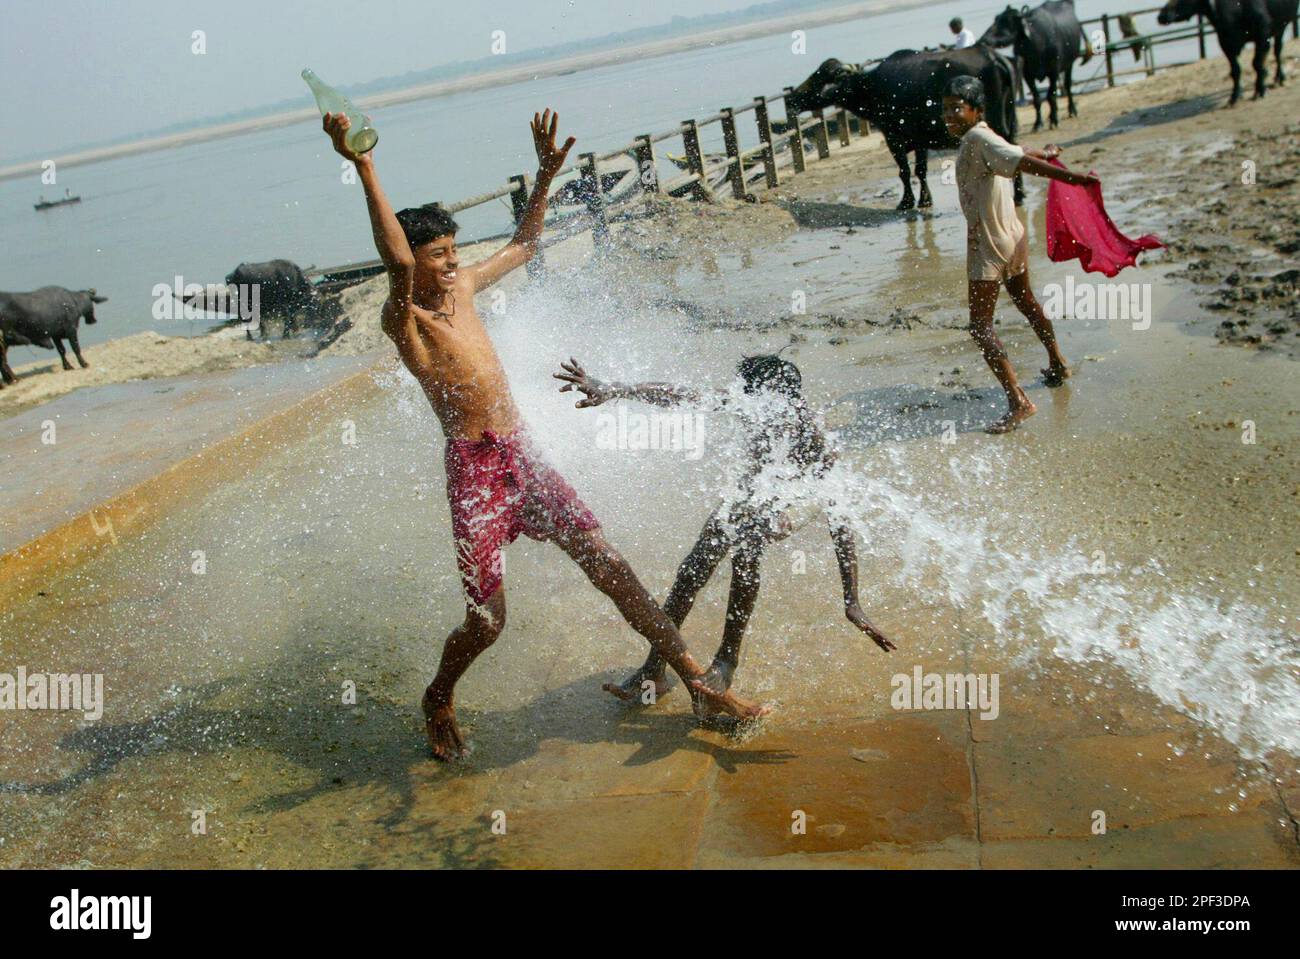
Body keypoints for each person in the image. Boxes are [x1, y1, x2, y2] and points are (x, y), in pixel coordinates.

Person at [320, 108, 769, 760]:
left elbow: (527, 243)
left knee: (608, 563)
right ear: (413, 263)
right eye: (436, 255)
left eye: (453, 251)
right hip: (475, 469)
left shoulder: (465, 286)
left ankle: (700, 682)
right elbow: (392, 261)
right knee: (487, 621)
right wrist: (363, 164)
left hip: (523, 450)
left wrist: (545, 174)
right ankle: (438, 693)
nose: (451, 264)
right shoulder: (407, 319)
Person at [553, 354, 897, 705]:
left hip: (801, 499)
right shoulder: (752, 401)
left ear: (784, 397)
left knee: (749, 540)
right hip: (753, 493)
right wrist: (615, 389)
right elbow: (680, 394)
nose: (745, 403)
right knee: (691, 571)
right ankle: (654, 670)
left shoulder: (811, 435)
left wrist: (852, 600)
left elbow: (837, 511)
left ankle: (726, 659)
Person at [941, 76, 1098, 433]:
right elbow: (1016, 151)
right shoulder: (984, 134)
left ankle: (1019, 401)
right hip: (1013, 234)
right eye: (945, 108)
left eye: (956, 108)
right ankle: (1058, 362)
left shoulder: (976, 138)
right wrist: (1046, 153)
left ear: (976, 110)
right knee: (1026, 301)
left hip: (989, 243)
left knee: (980, 327)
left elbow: (1020, 162)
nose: (948, 115)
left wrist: (1071, 178)